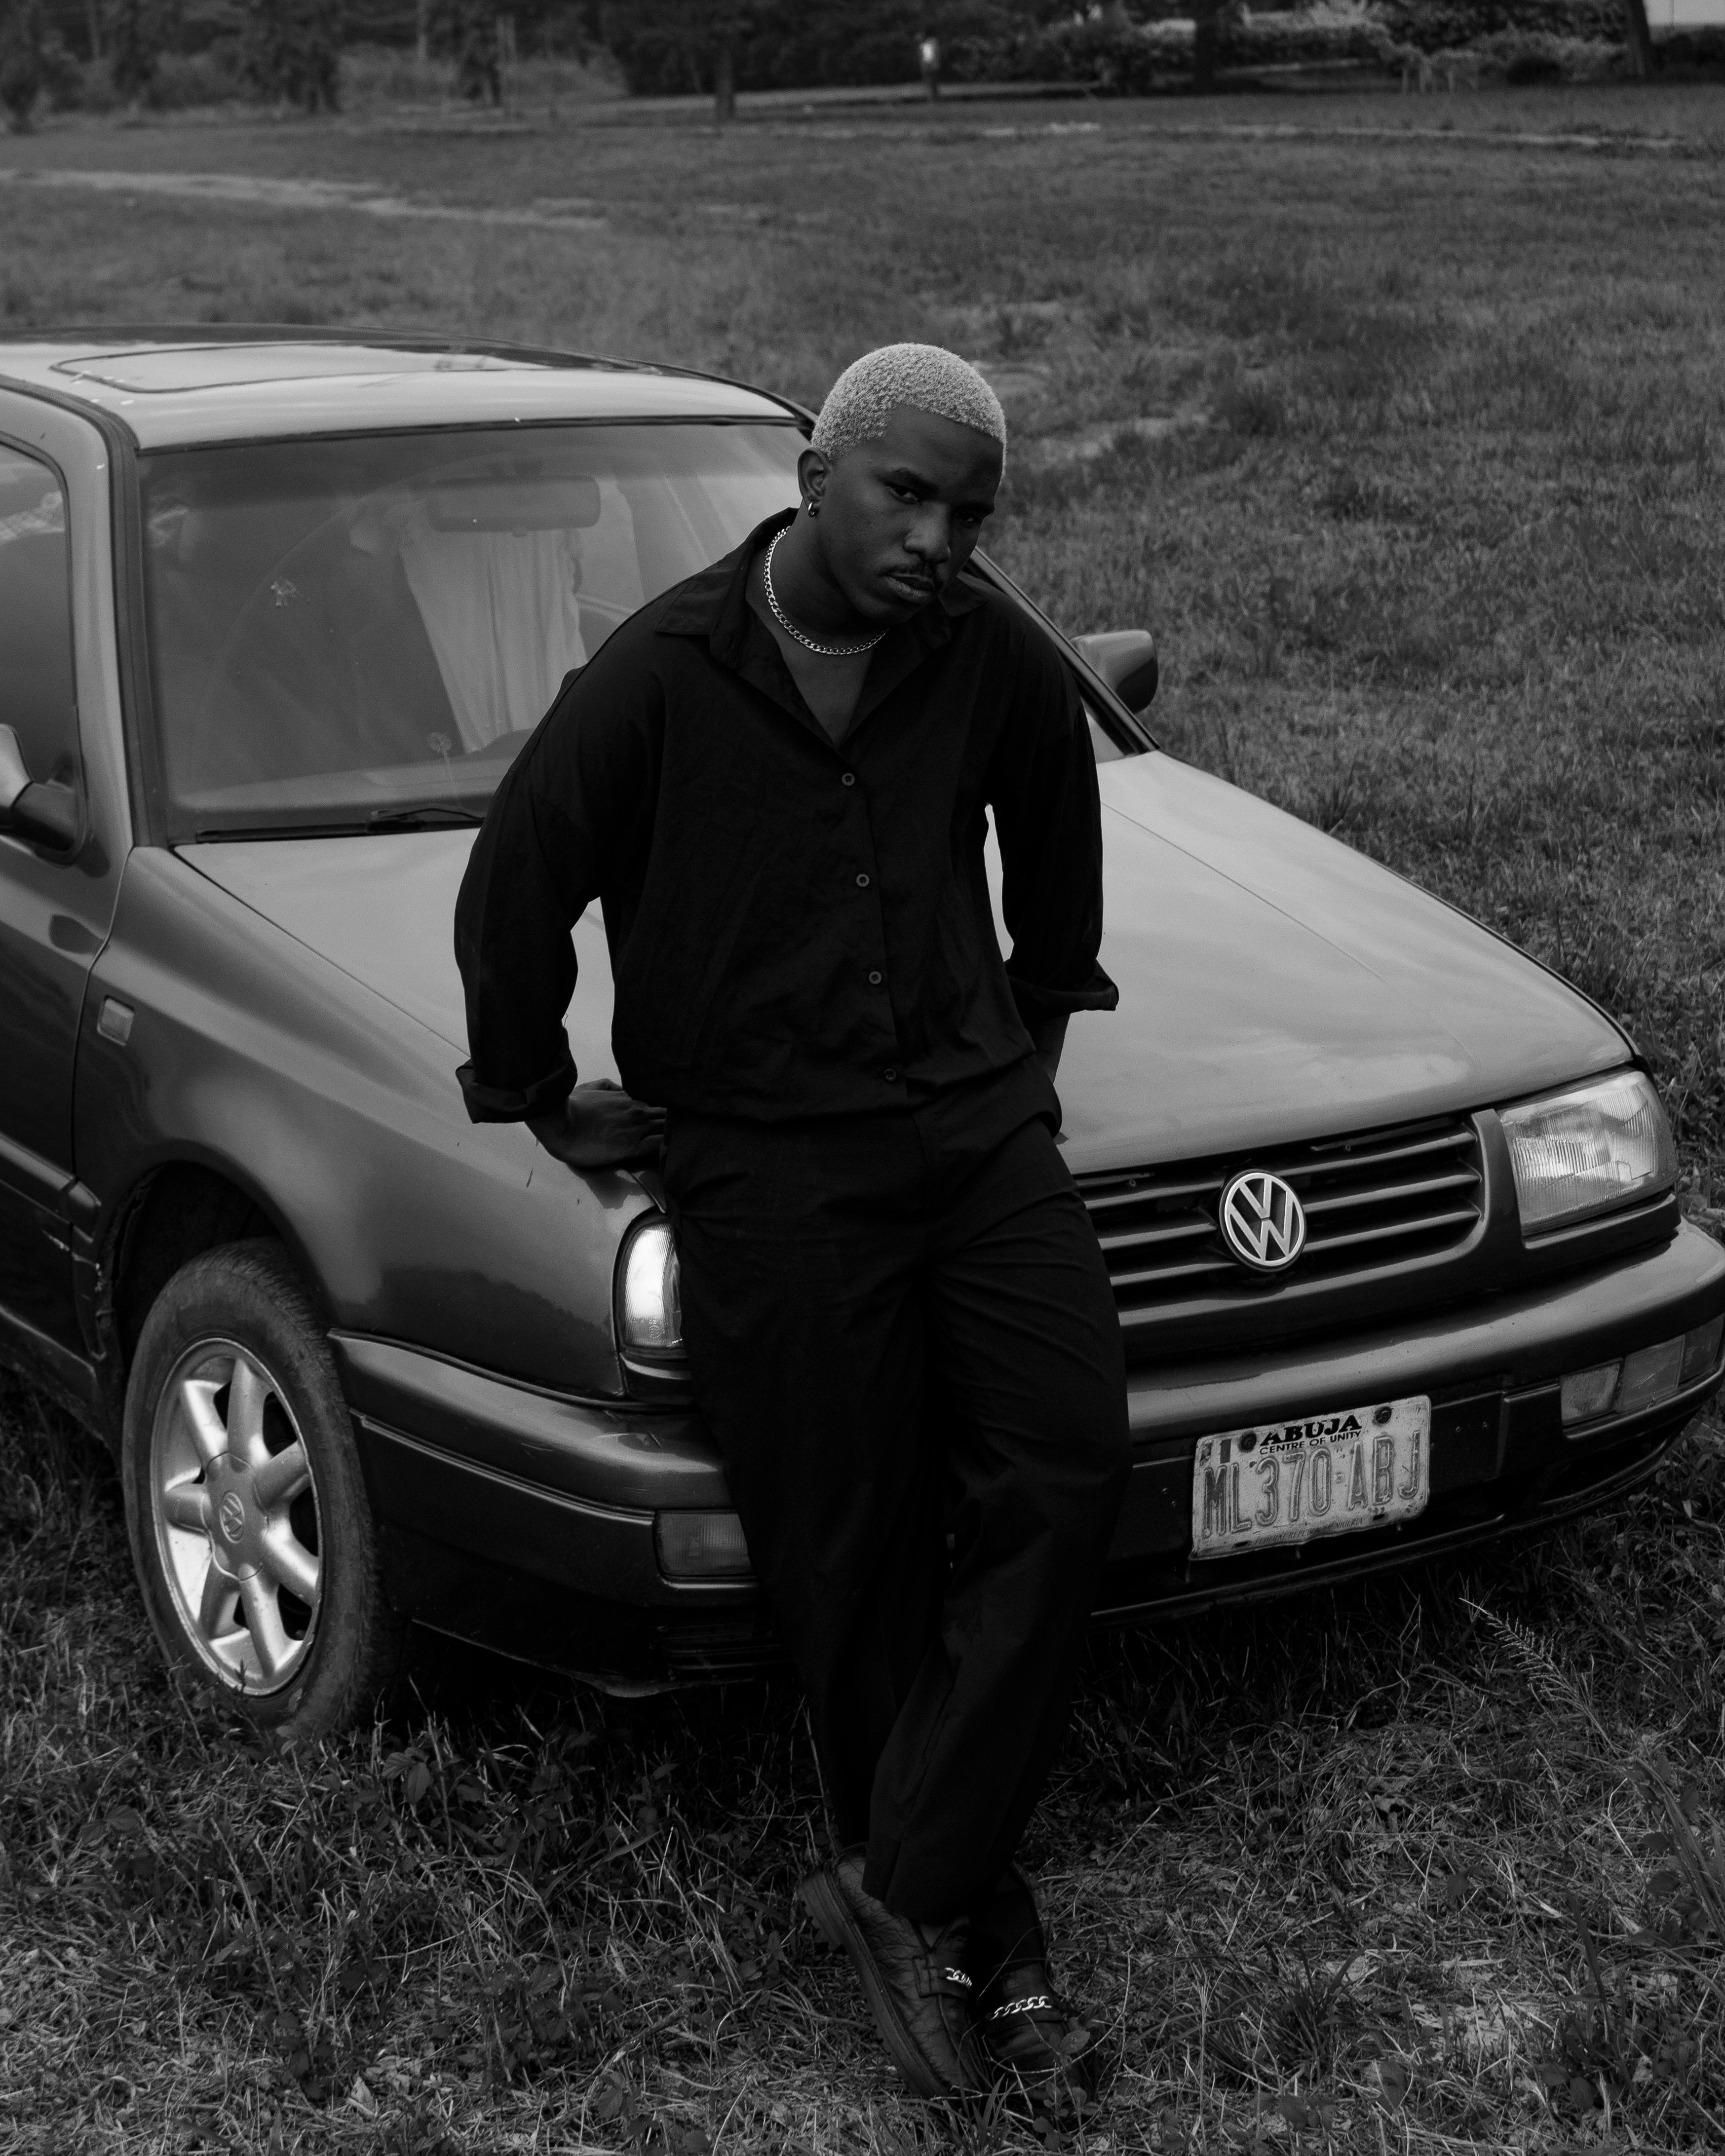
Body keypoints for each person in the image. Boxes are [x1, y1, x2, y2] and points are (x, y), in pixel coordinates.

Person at [454, 344, 1130, 2106]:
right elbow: (517, 877)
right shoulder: (664, 676)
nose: (939, 539)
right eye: (907, 494)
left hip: (979, 1145)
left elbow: (1060, 870)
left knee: (1067, 1460)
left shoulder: (985, 654)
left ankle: (896, 1888)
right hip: (769, 1170)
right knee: (856, 1574)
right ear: (820, 471)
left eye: (970, 513)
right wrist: (534, 1088)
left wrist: (1024, 1067)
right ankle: (1005, 1959)